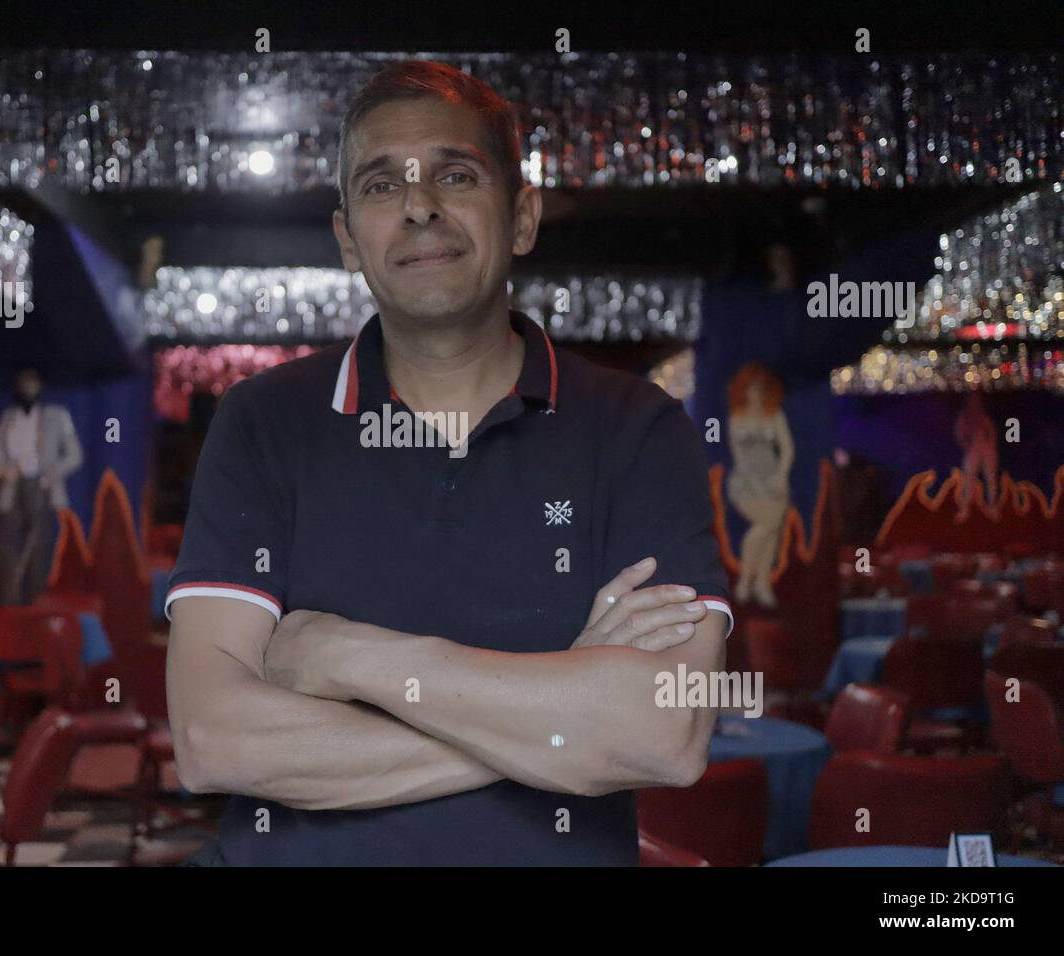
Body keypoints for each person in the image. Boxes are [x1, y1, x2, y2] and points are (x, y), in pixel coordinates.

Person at [166, 60, 732, 866]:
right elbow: (212, 738)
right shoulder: (263, 422)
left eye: (455, 174)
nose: (420, 208)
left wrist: (338, 653)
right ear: (348, 240)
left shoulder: (639, 428)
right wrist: (562, 703)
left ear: (523, 215)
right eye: (380, 186)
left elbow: (666, 731)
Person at [0, 366, 83, 606]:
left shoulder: (56, 415)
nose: (28, 387)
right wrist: (2, 471)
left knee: (38, 550)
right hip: (13, 486)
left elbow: (75, 455)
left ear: (40, 386)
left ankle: (35, 608)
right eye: (23, 382)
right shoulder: (8, 417)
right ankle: (9, 608)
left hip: (41, 487)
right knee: (8, 551)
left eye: (32, 382)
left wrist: (51, 474)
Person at [725, 363, 794, 608]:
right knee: (765, 524)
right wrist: (755, 482)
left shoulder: (774, 414)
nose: (755, 392)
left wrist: (781, 476)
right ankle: (745, 580)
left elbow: (786, 448)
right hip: (745, 482)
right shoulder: (736, 417)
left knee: (773, 532)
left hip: (774, 480)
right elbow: (739, 457)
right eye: (751, 387)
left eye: (759, 388)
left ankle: (762, 584)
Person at [955, 391, 998, 515]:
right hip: (973, 449)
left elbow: (992, 431)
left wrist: (990, 446)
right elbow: (959, 433)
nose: (975, 403)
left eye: (977, 400)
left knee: (990, 478)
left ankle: (992, 507)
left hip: (986, 448)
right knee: (968, 478)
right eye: (973, 400)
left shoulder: (983, 417)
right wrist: (967, 445)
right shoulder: (965, 417)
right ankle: (965, 508)